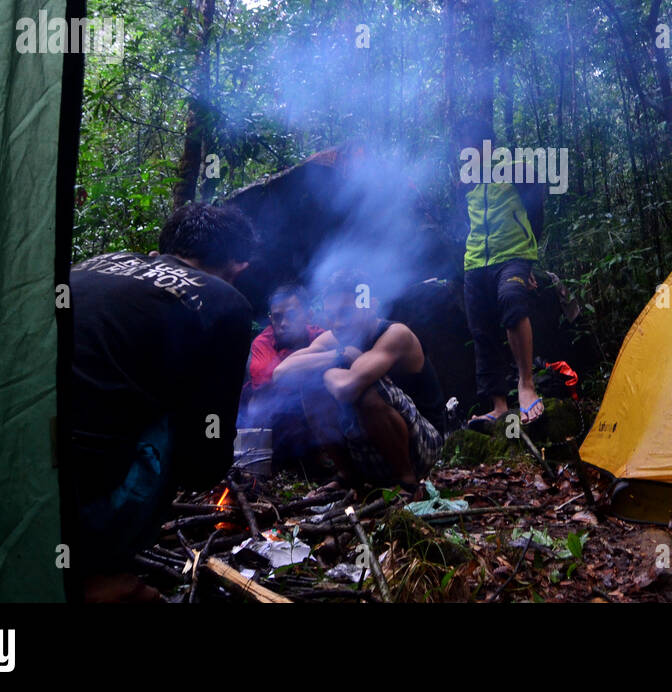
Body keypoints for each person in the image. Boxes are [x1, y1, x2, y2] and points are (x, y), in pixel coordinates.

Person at [67, 202, 257, 602]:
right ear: (238, 266)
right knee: (176, 417)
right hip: (87, 497)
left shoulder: (90, 265)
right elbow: (207, 454)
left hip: (9, 467)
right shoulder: (225, 300)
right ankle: (101, 574)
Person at [271, 270, 445, 495]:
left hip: (423, 447)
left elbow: (347, 388)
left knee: (367, 391)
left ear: (370, 306)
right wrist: (339, 356)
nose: (338, 323)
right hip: (369, 448)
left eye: (345, 313)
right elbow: (281, 373)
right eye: (331, 315)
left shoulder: (395, 334)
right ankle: (348, 477)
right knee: (310, 390)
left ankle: (407, 482)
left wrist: (326, 373)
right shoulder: (336, 339)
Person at [452, 116, 547, 428]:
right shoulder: (465, 180)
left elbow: (536, 208)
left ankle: (526, 385)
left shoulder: (516, 169)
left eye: (468, 146)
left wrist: (528, 260)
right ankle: (498, 406)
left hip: (513, 255)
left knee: (511, 299)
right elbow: (461, 223)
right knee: (480, 328)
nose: (464, 152)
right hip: (476, 262)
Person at [238, 284, 326, 463]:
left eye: (292, 315)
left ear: (308, 315)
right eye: (277, 317)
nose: (284, 323)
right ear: (270, 318)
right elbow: (266, 378)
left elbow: (346, 357)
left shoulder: (320, 337)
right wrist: (314, 366)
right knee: (258, 401)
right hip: (276, 420)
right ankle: (256, 461)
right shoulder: (264, 342)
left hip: (314, 416)